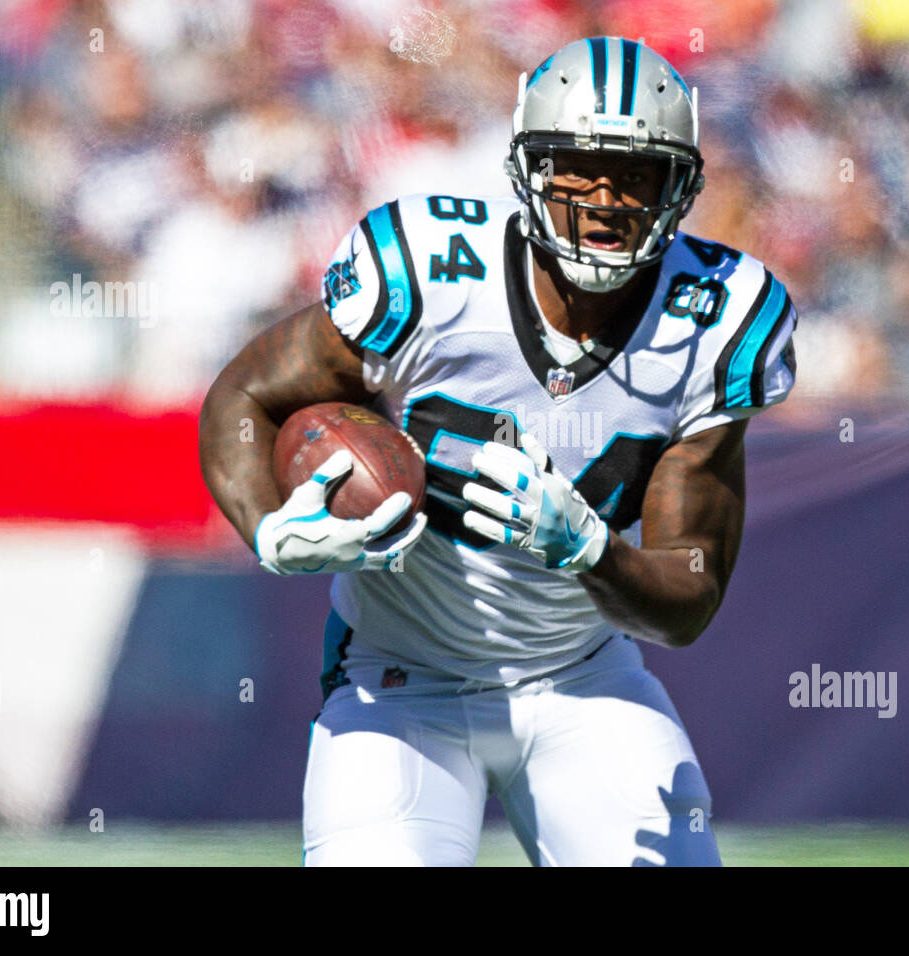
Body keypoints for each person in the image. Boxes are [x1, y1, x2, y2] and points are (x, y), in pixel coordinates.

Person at [199, 36, 797, 866]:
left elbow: (686, 600)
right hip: (396, 679)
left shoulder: (718, 319)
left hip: (583, 680)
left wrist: (588, 549)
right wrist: (270, 531)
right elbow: (244, 397)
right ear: (526, 170)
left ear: (680, 186)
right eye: (577, 167)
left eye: (636, 174)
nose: (604, 198)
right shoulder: (426, 274)